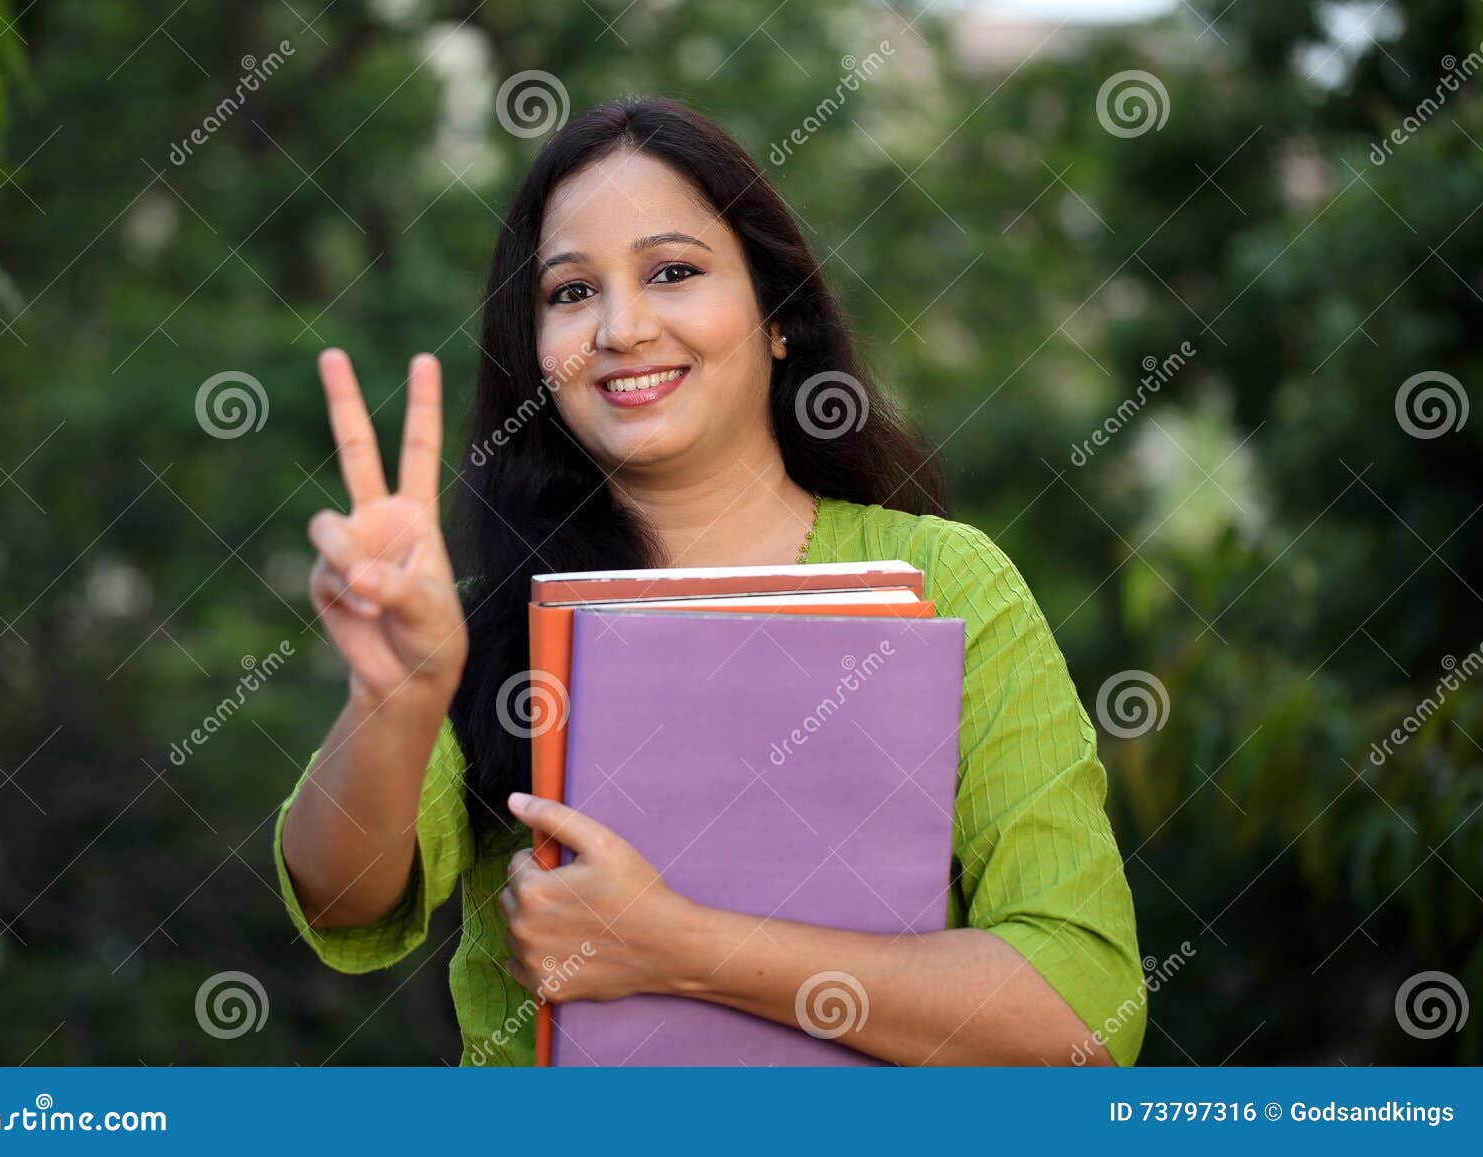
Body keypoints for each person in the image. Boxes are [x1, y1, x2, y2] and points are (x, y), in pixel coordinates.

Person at [275, 96, 1144, 1067]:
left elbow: (1083, 1013)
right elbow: (343, 896)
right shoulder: (485, 624)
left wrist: (678, 945)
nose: (621, 325)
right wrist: (392, 695)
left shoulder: (948, 580)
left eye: (673, 271)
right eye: (570, 291)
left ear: (779, 318)